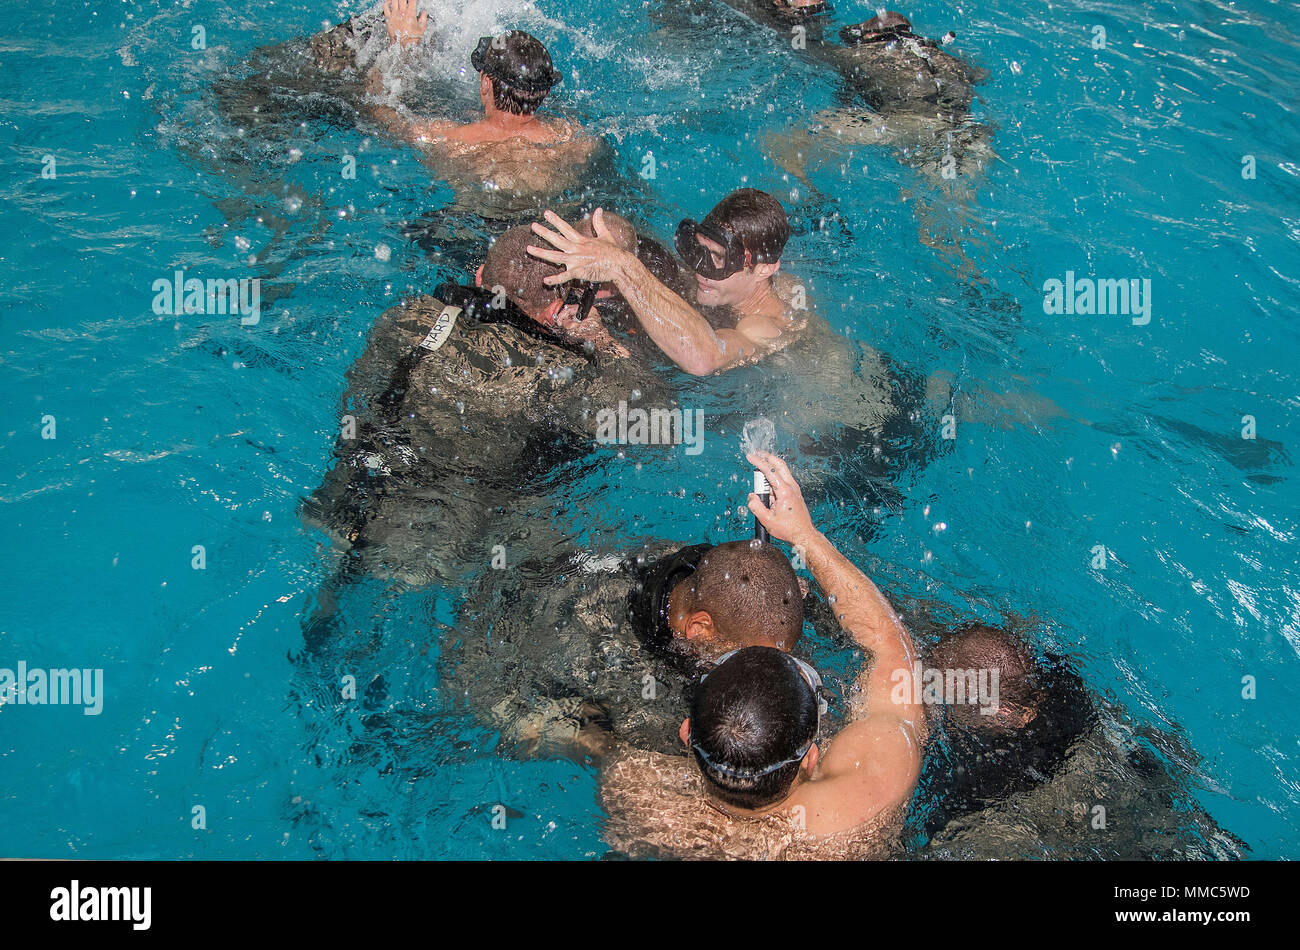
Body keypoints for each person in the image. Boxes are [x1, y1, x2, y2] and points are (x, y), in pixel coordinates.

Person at [300, 219, 666, 598]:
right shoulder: (548, 375)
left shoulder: (407, 317)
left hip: (341, 500)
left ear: (478, 276)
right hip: (433, 539)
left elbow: (360, 405)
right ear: (559, 307)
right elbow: (659, 426)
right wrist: (602, 342)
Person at [599, 451, 926, 859]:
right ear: (811, 758)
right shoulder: (860, 807)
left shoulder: (636, 795)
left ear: (686, 733)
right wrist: (806, 537)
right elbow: (892, 650)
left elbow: (576, 737)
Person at [528, 191, 809, 375]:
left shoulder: (763, 327)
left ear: (763, 270)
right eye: (699, 250)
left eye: (719, 259)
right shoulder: (772, 285)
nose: (701, 268)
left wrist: (620, 265)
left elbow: (705, 358)